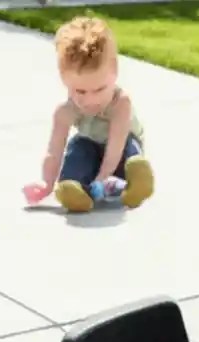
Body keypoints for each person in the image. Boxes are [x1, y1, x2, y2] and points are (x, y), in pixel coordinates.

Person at [39, 15, 154, 213]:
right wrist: (46, 185)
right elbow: (53, 153)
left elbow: (114, 147)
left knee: (130, 150)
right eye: (80, 92)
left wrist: (101, 179)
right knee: (78, 149)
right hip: (92, 149)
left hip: (118, 152)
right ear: (64, 80)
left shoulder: (120, 103)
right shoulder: (65, 112)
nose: (90, 100)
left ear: (115, 72)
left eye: (99, 89)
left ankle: (133, 185)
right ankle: (74, 190)